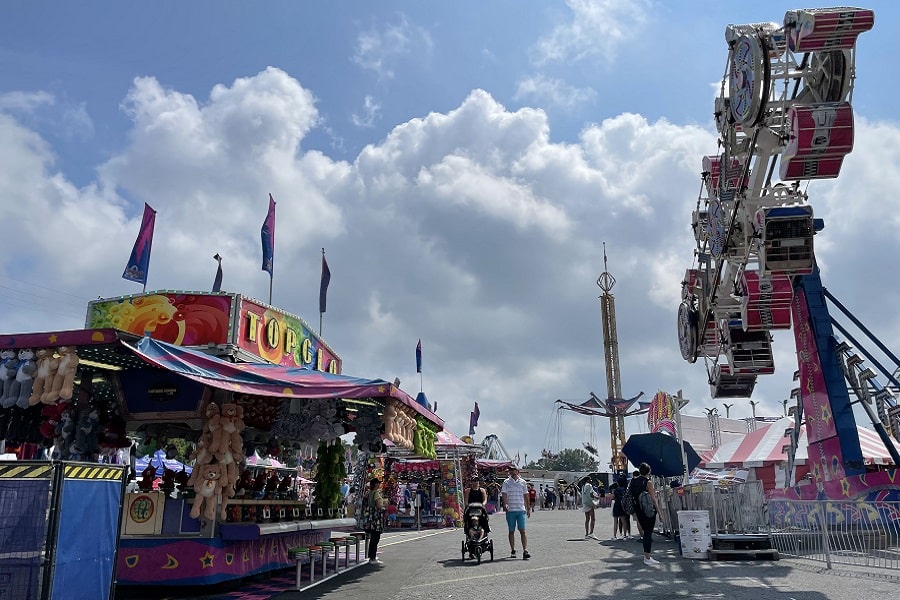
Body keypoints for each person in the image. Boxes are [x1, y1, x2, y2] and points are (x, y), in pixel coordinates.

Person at [631, 462, 661, 566]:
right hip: (648, 509)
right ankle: (647, 557)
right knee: (648, 533)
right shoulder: (648, 482)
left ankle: (647, 556)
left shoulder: (633, 481)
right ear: (649, 471)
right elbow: (653, 499)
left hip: (638, 509)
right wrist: (660, 513)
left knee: (645, 532)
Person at [500, 465, 531, 560]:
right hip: (511, 510)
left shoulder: (523, 482)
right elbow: (504, 494)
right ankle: (513, 550)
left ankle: (525, 550)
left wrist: (528, 507)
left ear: (517, 471)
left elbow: (526, 495)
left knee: (522, 530)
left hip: (520, 509)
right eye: (510, 470)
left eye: (514, 470)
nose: (512, 472)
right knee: (511, 531)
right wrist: (505, 504)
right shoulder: (506, 482)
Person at [362, 477, 387, 564]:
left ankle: (371, 557)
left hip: (370, 518)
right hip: (376, 519)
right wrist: (384, 507)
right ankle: (372, 558)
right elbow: (379, 505)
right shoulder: (376, 493)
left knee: (373, 538)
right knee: (375, 538)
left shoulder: (369, 493)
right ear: (376, 484)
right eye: (378, 483)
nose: (380, 484)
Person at [612, 475, 630, 540]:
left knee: (615, 521)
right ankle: (624, 535)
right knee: (624, 520)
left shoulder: (616, 490)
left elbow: (613, 497)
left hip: (617, 505)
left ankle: (614, 536)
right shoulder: (626, 489)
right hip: (623, 505)